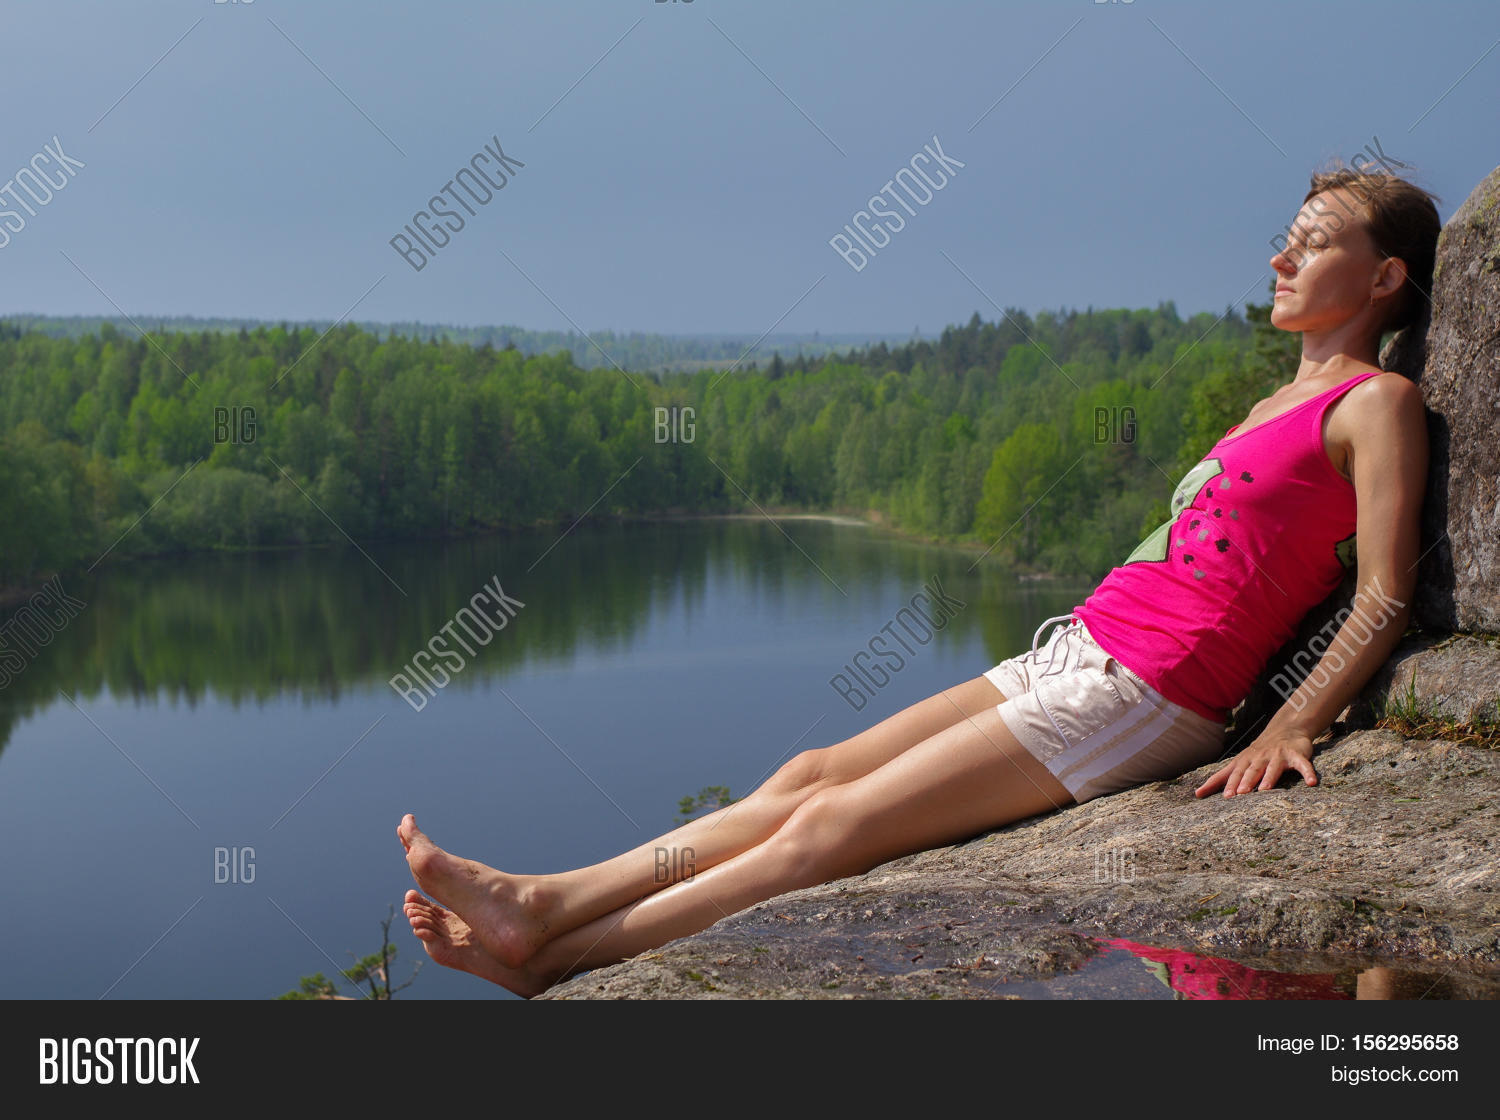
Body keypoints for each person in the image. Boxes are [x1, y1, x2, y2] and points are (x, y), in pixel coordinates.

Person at [397, 163, 1442, 998]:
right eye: (1286, 237)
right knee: (809, 773)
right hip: (1078, 647)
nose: (1280, 257)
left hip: (1150, 687)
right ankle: (546, 901)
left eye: (1314, 243)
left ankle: (564, 962)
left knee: (830, 832)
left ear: (1386, 275)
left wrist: (1291, 724)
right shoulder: (1274, 403)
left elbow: (1385, 593)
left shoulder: (1376, 404)